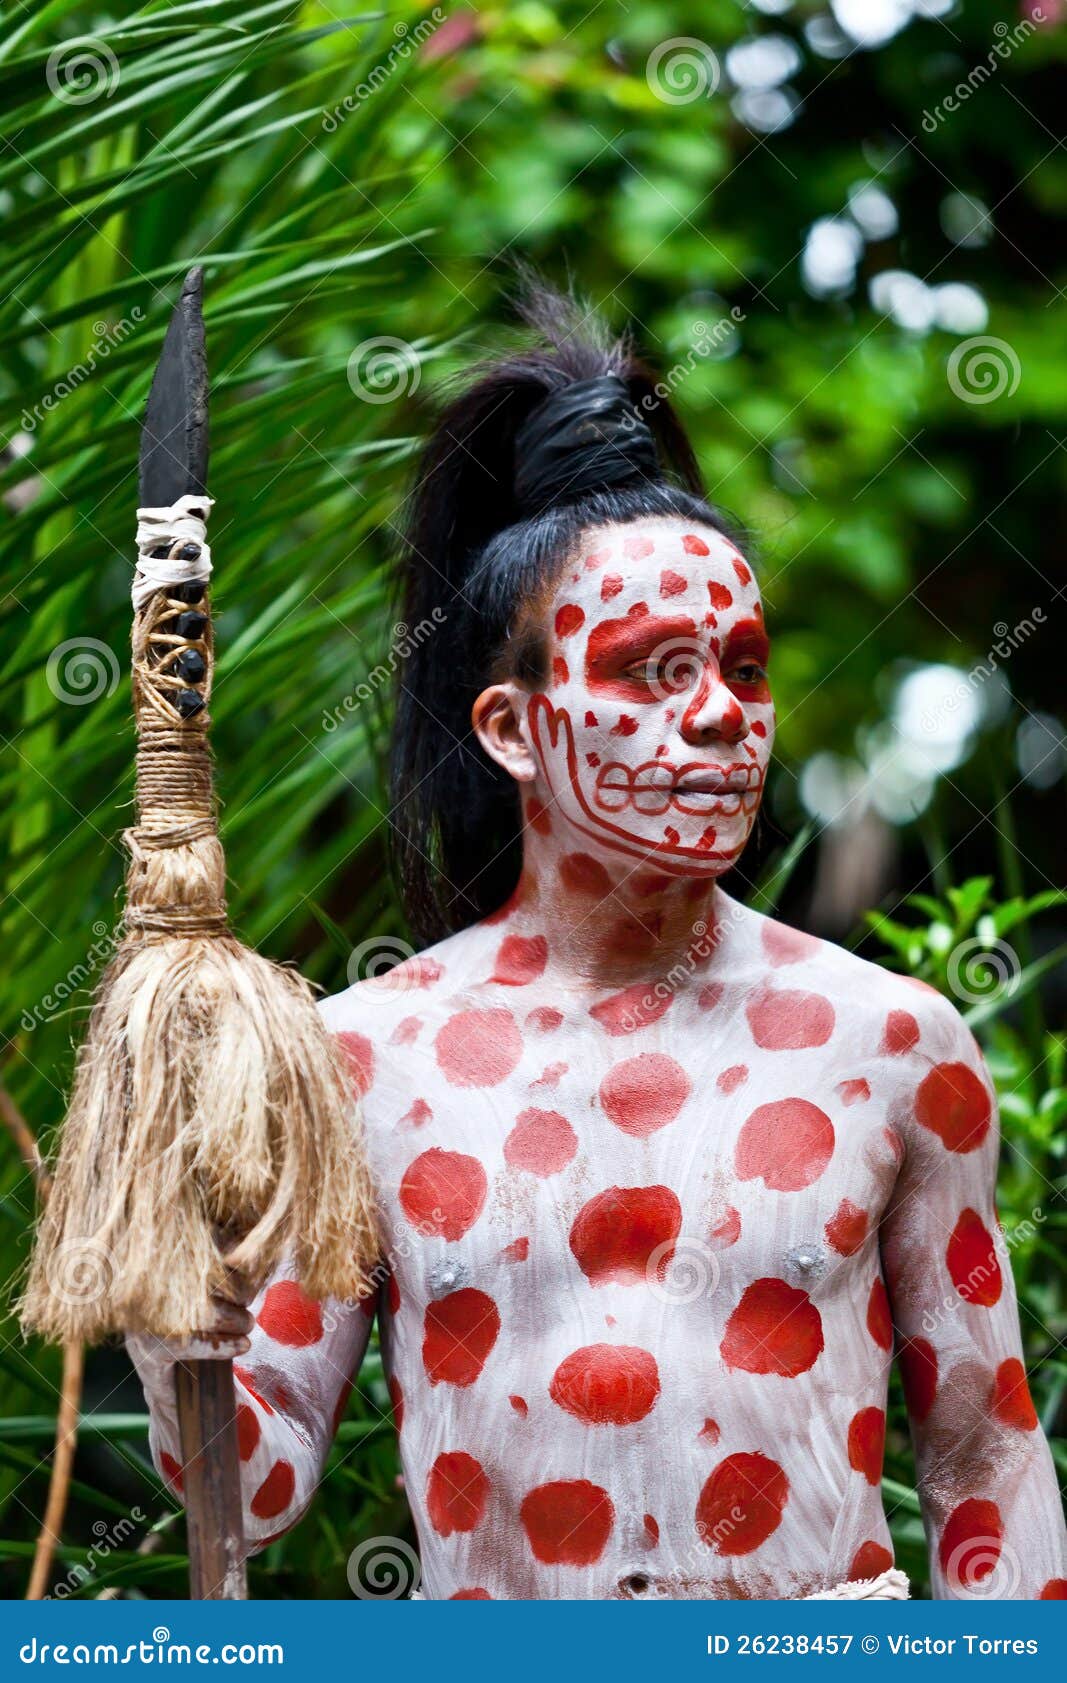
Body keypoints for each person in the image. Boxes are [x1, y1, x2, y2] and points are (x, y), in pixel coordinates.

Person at [128, 287, 1066, 1601]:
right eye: (651, 669)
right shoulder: (359, 1065)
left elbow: (988, 1457)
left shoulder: (894, 1045)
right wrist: (173, 1321)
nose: (721, 715)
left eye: (744, 668)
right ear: (513, 728)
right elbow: (259, 1480)